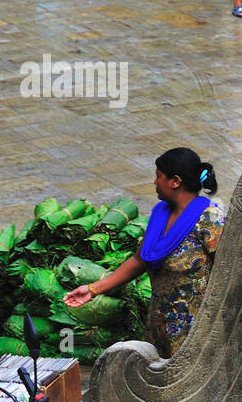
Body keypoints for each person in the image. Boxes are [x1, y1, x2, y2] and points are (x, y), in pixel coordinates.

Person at [64, 149, 224, 359]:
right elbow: (139, 260)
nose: (154, 183)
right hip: (159, 327)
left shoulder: (210, 220)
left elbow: (230, 270)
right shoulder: (161, 214)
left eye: (158, 176)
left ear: (175, 181)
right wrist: (92, 290)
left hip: (195, 334)